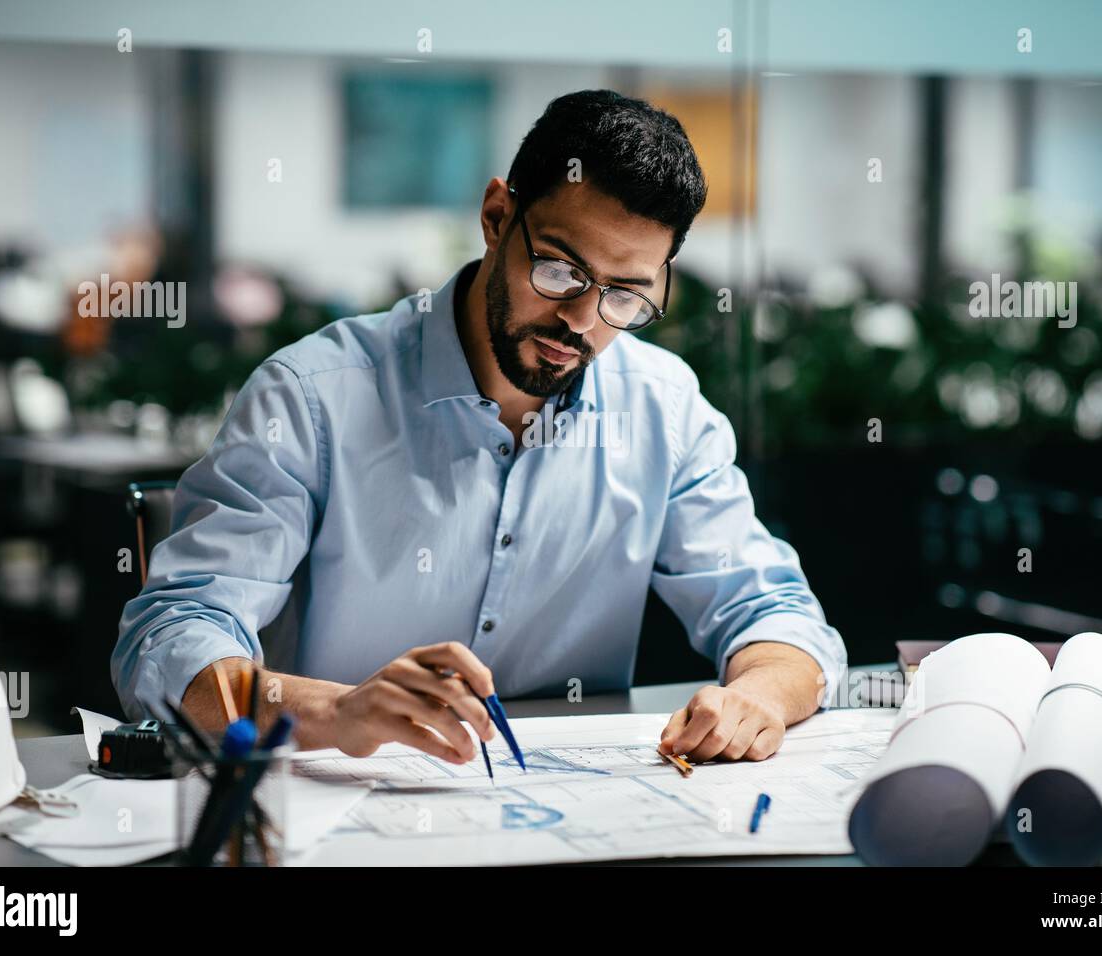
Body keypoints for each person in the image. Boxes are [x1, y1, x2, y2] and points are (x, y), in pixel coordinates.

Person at [113, 89, 846, 766]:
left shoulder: (665, 410)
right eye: (561, 271)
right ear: (497, 216)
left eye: (626, 295)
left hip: (569, 817)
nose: (582, 321)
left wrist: (757, 696)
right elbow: (170, 641)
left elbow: (774, 614)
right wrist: (340, 710)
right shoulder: (313, 398)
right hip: (334, 813)